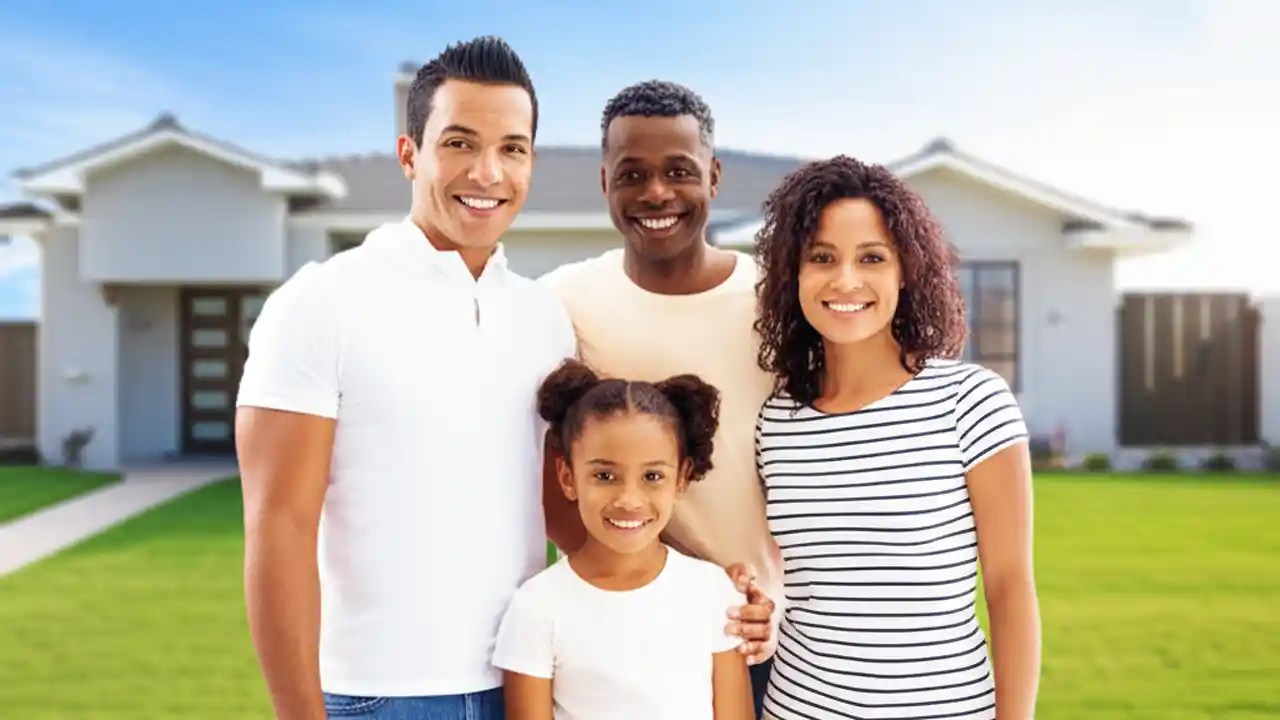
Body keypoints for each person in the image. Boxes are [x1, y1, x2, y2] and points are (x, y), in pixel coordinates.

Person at [235, 37, 576, 720]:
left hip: (525, 685)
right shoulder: (321, 303)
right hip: (379, 695)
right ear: (409, 154)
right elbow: (280, 528)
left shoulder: (544, 317)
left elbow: (568, 510)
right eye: (459, 143)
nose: (488, 172)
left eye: (512, 148)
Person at [751, 155, 1042, 719]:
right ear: (794, 273)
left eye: (872, 258)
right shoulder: (776, 422)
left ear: (905, 270)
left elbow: (1009, 588)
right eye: (822, 258)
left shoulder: (971, 401)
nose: (846, 281)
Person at [538, 79, 782, 717]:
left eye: (679, 171)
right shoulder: (563, 303)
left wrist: (763, 600)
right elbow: (553, 477)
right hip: (629, 639)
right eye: (632, 174)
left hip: (765, 636)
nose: (655, 193)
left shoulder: (777, 302)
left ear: (714, 176)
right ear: (604, 184)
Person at [493, 360, 755, 719]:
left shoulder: (712, 592)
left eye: (652, 476)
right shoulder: (537, 607)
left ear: (682, 478)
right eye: (604, 474)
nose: (629, 499)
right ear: (567, 477)